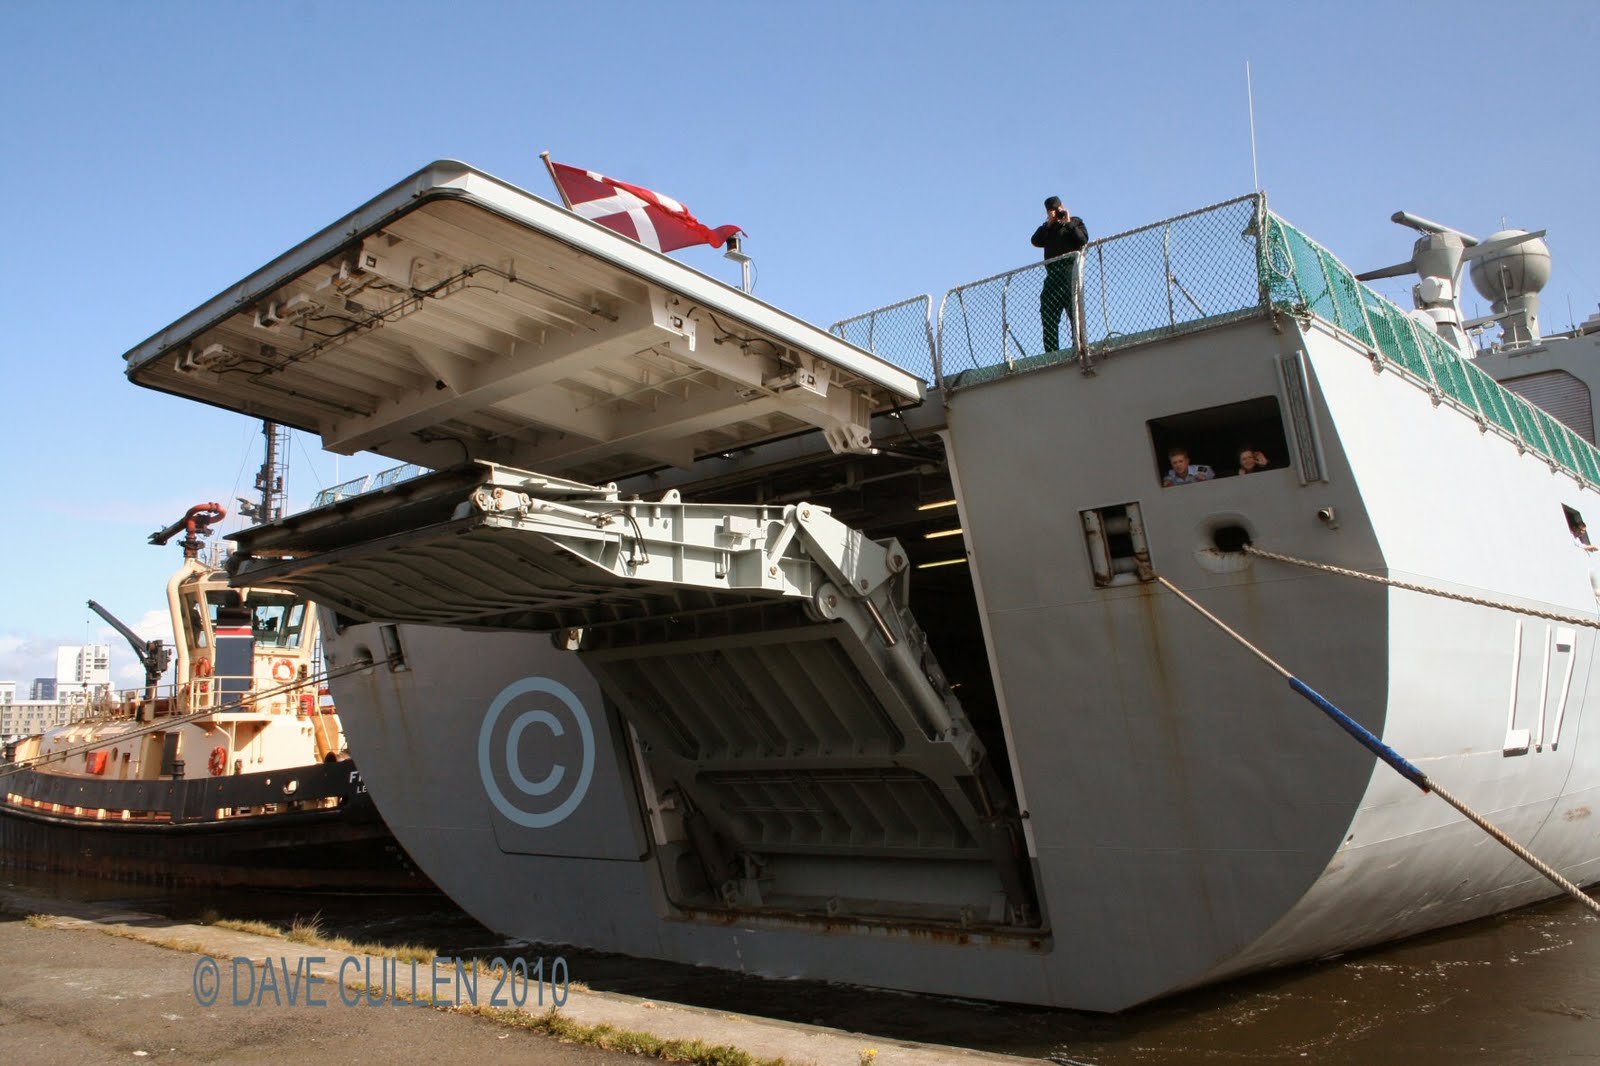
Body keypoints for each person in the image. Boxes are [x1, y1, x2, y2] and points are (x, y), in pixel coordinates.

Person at [1032, 196, 1089, 354]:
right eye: (1052, 211)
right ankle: (1051, 352)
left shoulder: (1074, 222)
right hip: (1053, 276)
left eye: (1057, 210)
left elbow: (1082, 240)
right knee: (1048, 313)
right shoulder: (1048, 229)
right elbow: (1035, 241)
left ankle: (1078, 346)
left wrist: (1068, 222)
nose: (1056, 214)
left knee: (1075, 313)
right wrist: (1048, 225)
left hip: (1070, 273)